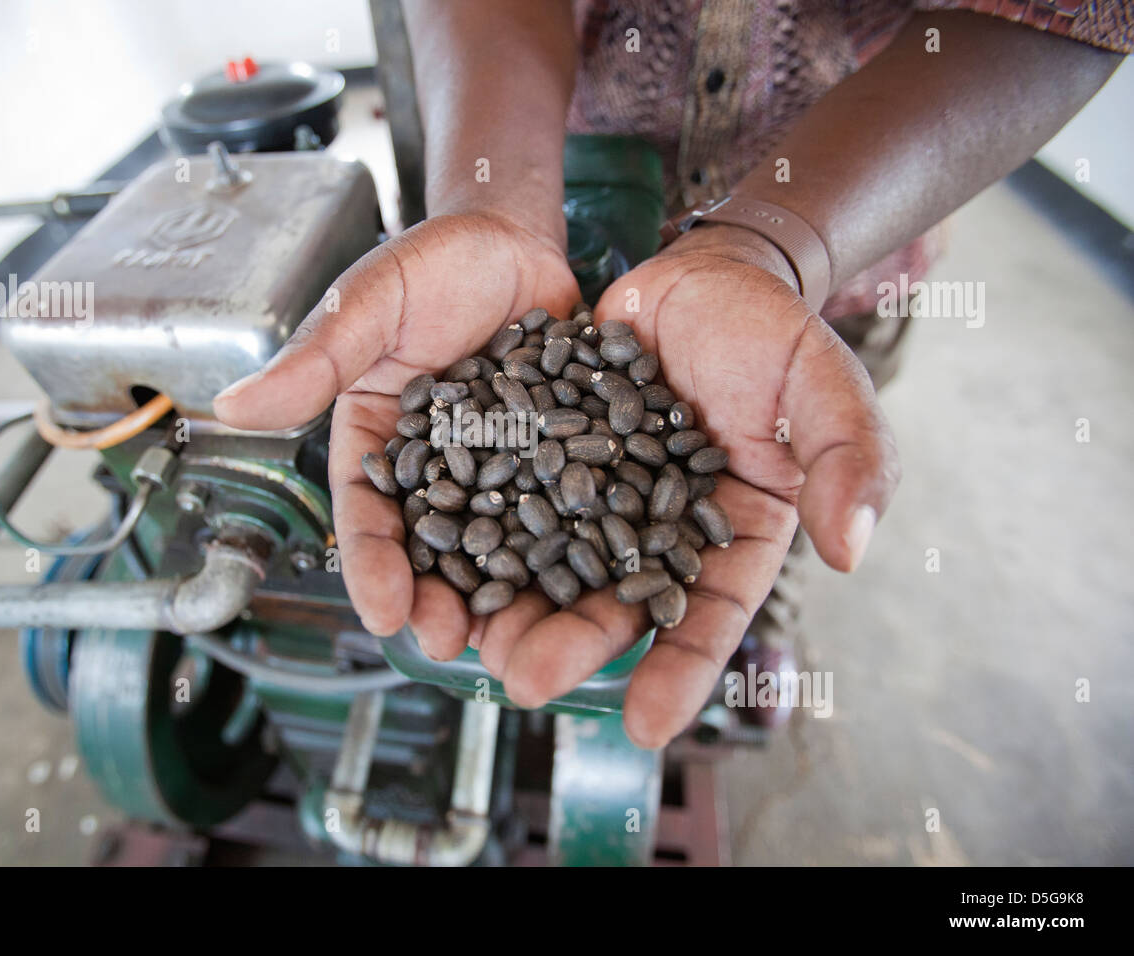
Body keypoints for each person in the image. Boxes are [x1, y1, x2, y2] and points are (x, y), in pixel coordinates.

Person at [214, 1, 1130, 748]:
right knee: (746, 460)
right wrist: (491, 203)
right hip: (555, 160)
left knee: (781, 452)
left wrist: (781, 247)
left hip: (857, 228)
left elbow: (1076, 17)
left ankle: (771, 602)